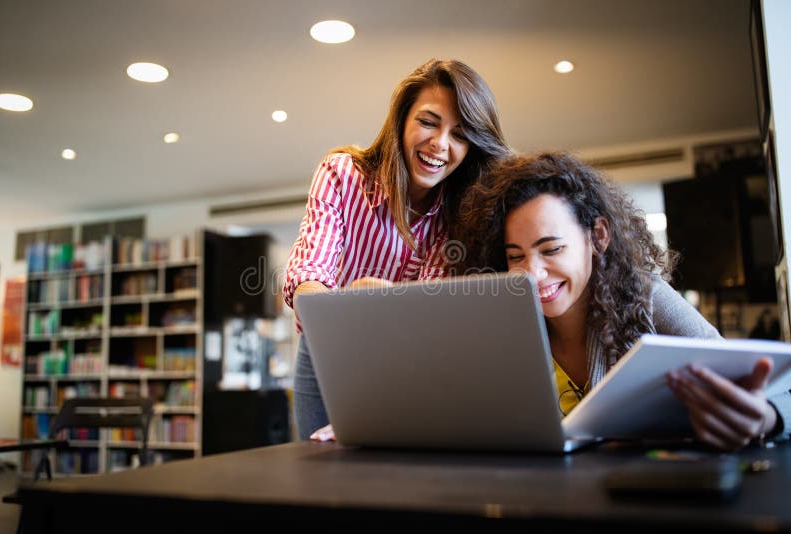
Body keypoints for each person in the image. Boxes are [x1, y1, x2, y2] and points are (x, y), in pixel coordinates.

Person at [455, 151, 791, 451]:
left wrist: (768, 418)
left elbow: (774, 392)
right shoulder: (508, 324)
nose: (532, 274)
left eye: (552, 249)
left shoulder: (647, 297)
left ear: (598, 236)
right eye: (516, 256)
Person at [282, 58, 512, 441]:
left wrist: (385, 303)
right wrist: (346, 308)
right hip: (327, 351)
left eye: (460, 134)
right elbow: (308, 275)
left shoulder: (460, 215)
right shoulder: (342, 174)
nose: (440, 145)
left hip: (401, 362)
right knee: (320, 472)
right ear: (401, 119)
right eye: (428, 122)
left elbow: (427, 316)